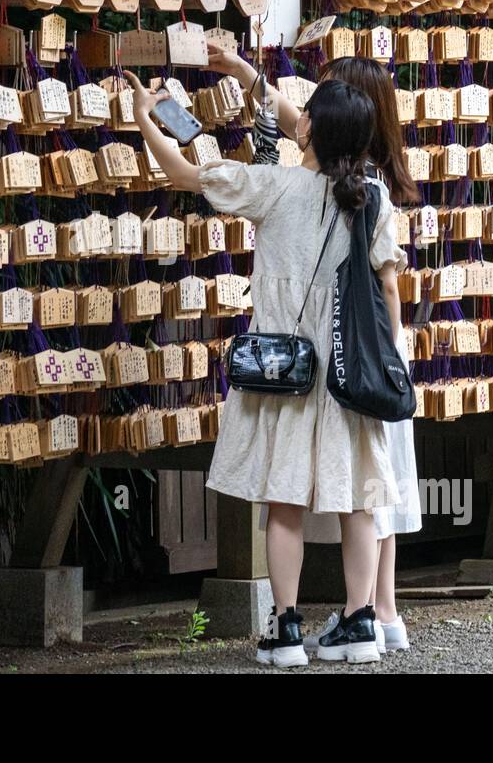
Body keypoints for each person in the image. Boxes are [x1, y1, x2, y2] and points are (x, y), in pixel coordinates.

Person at [124, 69, 406, 668]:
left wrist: (147, 117)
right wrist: (394, 362)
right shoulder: (373, 199)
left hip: (287, 373)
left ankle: (285, 630)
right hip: (351, 376)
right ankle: (359, 623)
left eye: (305, 112)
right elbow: (388, 292)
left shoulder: (273, 187)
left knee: (285, 506)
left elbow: (183, 173)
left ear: (309, 130)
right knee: (359, 500)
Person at [206, 45, 422, 654]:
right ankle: (372, 615)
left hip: (314, 366)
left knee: (294, 497)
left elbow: (278, 127)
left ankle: (294, 621)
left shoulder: (296, 186)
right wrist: (393, 352)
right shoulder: (370, 187)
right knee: (367, 488)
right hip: (368, 361)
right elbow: (387, 284)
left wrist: (155, 126)